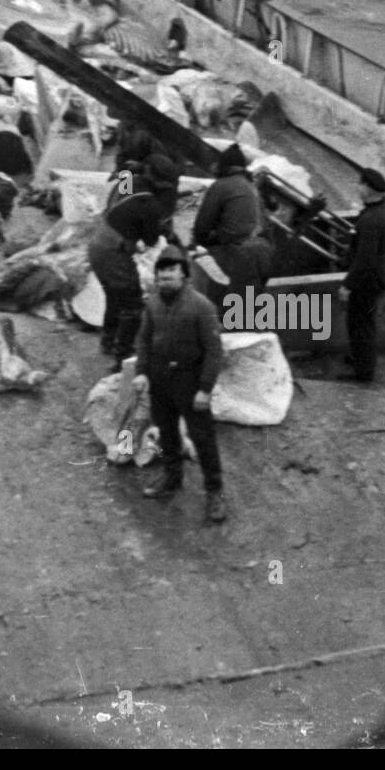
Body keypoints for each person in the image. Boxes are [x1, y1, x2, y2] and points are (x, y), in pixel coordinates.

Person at [132, 246, 227, 524]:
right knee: (167, 432)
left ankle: (215, 492)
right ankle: (172, 478)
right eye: (161, 276)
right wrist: (141, 372)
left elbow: (214, 351)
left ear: (184, 275)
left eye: (172, 274)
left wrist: (205, 389)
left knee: (203, 439)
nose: (166, 280)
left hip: (190, 383)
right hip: (160, 381)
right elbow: (143, 340)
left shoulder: (202, 306)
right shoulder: (152, 304)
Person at [88, 155, 182, 369]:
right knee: (133, 305)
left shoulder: (131, 182)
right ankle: (122, 358)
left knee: (114, 297)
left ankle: (108, 341)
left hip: (98, 244)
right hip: (114, 252)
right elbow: (150, 240)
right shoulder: (150, 204)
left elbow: (120, 185)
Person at [190, 143, 272, 316]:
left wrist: (209, 241)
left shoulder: (221, 186)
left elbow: (201, 229)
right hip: (265, 251)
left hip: (240, 255)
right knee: (254, 308)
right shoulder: (252, 186)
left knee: (239, 316)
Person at [337, 168, 385, 384]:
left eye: (360, 184)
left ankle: (363, 371)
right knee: (363, 322)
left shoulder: (370, 220)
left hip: (367, 281)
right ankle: (360, 358)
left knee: (360, 324)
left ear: (369, 189)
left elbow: (364, 260)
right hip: (380, 273)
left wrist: (347, 285)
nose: (357, 187)